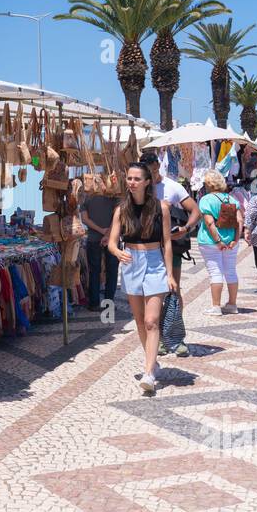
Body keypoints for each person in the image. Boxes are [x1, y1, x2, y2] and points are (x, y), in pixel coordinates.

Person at [107, 162, 177, 396]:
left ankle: (148, 373)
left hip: (155, 261)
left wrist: (170, 274)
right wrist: (118, 252)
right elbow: (111, 242)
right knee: (139, 321)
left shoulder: (161, 208)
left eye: (137, 179)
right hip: (131, 262)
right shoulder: (121, 210)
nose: (132, 182)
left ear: (147, 182)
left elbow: (167, 242)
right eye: (129, 178)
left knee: (151, 321)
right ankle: (152, 361)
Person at [146, 152, 199, 359]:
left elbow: (195, 211)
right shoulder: (140, 186)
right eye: (147, 172)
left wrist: (185, 228)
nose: (150, 175)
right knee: (151, 294)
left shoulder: (173, 186)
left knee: (173, 289)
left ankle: (175, 337)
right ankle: (156, 337)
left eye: (152, 171)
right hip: (148, 248)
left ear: (158, 166)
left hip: (171, 247)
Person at [195, 169, 244, 316]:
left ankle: (216, 306)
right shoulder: (232, 199)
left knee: (215, 272)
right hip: (231, 242)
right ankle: (232, 304)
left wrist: (217, 241)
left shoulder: (206, 200)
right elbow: (240, 220)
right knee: (230, 271)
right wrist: (235, 239)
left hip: (210, 242)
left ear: (208, 184)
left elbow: (210, 223)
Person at [81, 184, 119, 311]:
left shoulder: (86, 196)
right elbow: (117, 217)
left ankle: (94, 303)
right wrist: (107, 233)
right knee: (111, 271)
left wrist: (101, 231)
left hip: (93, 238)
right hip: (112, 238)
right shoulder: (113, 194)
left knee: (94, 271)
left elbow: (84, 219)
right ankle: (108, 303)